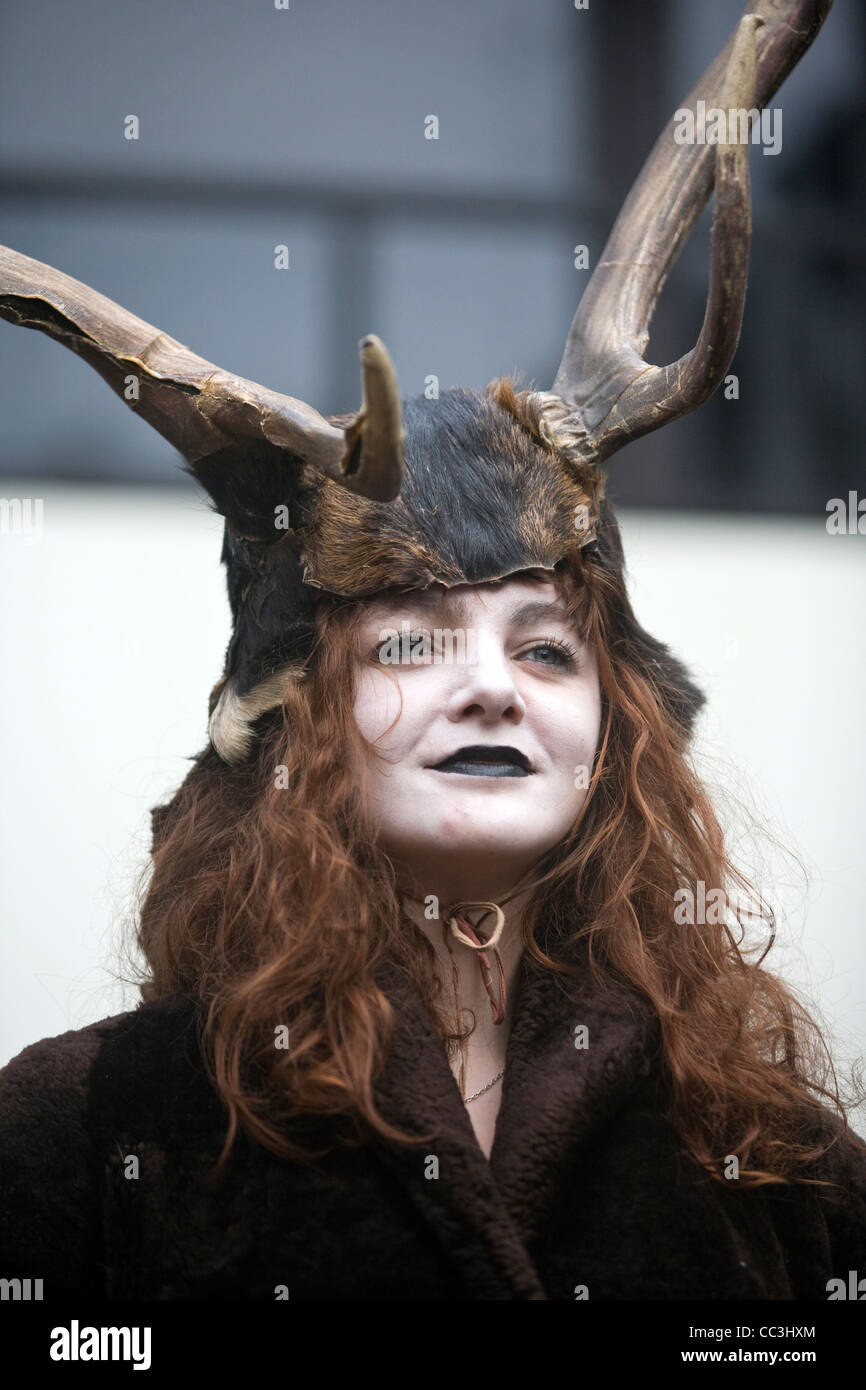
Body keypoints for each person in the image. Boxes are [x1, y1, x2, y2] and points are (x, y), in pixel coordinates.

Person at [2, 0, 861, 1302]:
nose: (488, 684)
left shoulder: (782, 1162)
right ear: (294, 718)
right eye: (409, 638)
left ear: (618, 733)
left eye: (548, 651)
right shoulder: (75, 1127)